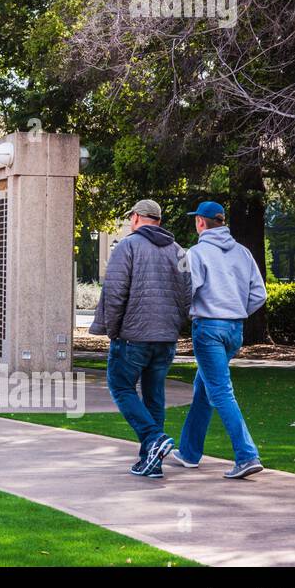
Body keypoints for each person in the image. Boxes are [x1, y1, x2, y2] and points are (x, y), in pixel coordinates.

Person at [89, 199, 191, 478]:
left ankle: (153, 438)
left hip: (132, 335)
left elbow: (115, 292)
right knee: (154, 396)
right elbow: (187, 297)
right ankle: (151, 461)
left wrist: (112, 329)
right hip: (165, 338)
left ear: (135, 218)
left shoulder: (127, 246)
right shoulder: (179, 251)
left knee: (120, 386)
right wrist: (174, 326)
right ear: (157, 220)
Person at [171, 201, 267, 480]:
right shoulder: (243, 253)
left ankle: (247, 455)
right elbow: (259, 294)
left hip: (209, 329)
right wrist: (235, 312)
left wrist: (194, 314)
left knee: (220, 391)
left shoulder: (196, 253)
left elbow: (189, 291)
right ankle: (189, 452)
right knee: (205, 386)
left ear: (200, 222)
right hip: (234, 330)